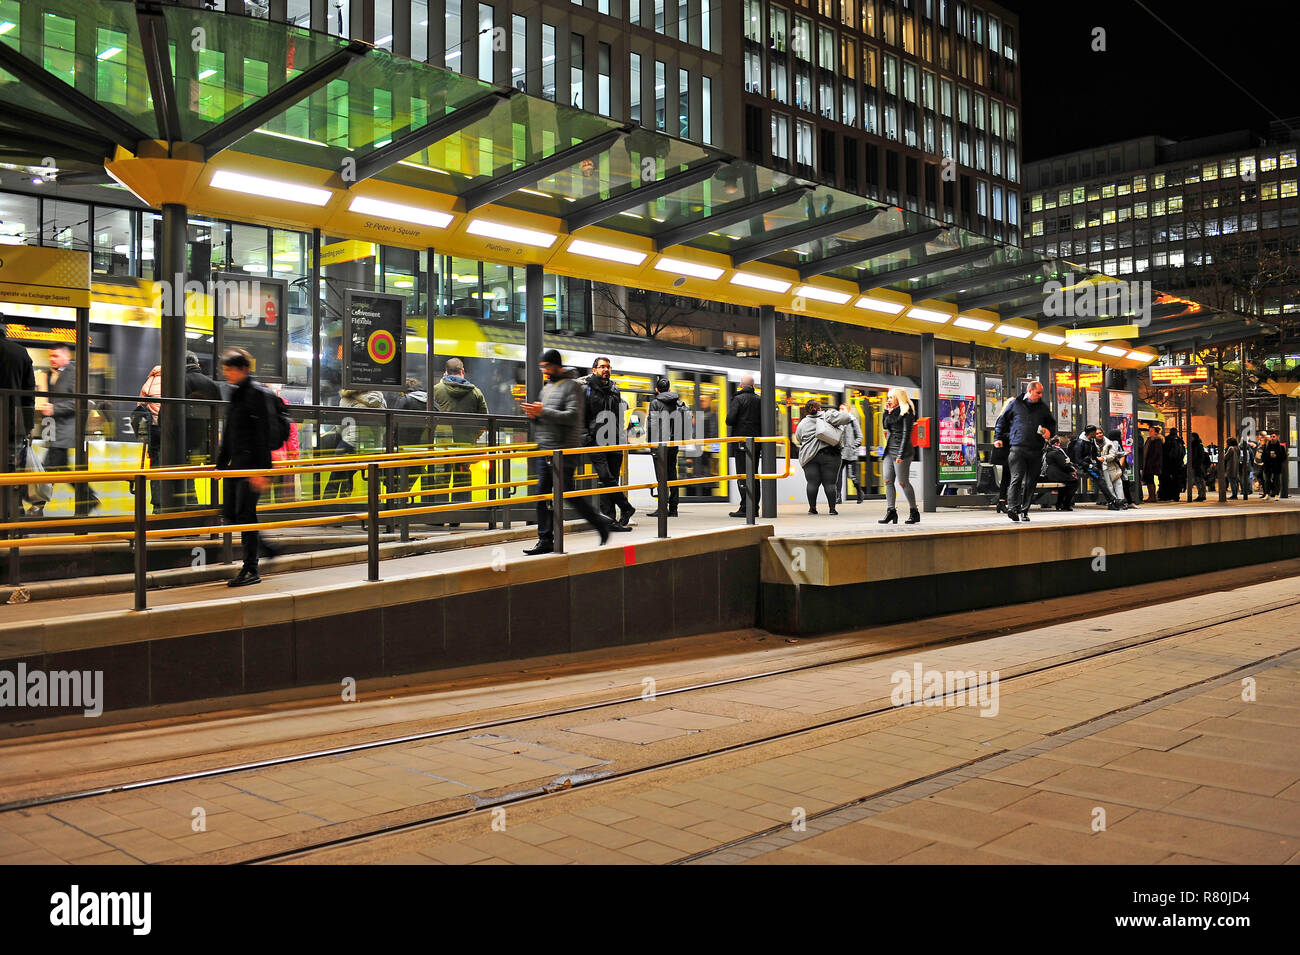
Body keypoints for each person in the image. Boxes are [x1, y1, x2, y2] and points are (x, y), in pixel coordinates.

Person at [521, 349, 612, 554]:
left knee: (566, 494)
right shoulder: (548, 388)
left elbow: (571, 416)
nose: (544, 370)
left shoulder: (572, 387)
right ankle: (546, 539)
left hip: (563, 452)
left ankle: (598, 522)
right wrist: (534, 415)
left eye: (546, 367)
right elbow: (547, 417)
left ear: (556, 366)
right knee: (544, 496)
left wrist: (541, 411)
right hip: (546, 450)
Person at [216, 348, 276, 587]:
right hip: (235, 466)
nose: (227, 374)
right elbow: (230, 431)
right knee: (230, 513)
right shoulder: (236, 394)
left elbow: (265, 433)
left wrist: (262, 471)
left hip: (252, 466)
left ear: (243, 369)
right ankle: (267, 548)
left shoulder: (257, 394)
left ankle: (251, 568)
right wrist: (221, 465)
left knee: (245, 515)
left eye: (230, 370)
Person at [39, 344, 100, 516]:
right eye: (50, 356)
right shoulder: (51, 374)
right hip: (53, 429)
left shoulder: (74, 372)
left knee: (49, 467)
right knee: (58, 467)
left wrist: (54, 408)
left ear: (66, 356)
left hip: (66, 429)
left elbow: (79, 401)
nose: (52, 359)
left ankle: (36, 507)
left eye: (56, 356)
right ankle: (90, 497)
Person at [580, 357, 634, 529]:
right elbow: (580, 416)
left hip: (614, 441)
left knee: (610, 480)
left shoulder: (614, 389)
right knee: (605, 476)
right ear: (594, 369)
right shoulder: (585, 389)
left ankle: (610, 520)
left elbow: (621, 414)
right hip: (595, 440)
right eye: (602, 367)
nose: (606, 369)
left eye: (608, 367)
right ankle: (626, 507)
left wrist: (623, 435)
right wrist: (586, 438)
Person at [995, 380, 1056, 523]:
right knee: (1016, 478)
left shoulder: (1043, 408)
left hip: (1035, 448)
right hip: (1017, 447)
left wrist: (1049, 432)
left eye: (1041, 393)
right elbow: (1002, 421)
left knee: (1030, 481)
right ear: (1030, 391)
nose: (1040, 395)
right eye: (1038, 393)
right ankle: (1013, 508)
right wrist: (997, 437)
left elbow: (1052, 424)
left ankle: (1024, 511)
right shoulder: (1015, 404)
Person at [431, 360, 486, 517]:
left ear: (446, 372)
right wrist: (472, 438)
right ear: (463, 372)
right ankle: (460, 515)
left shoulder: (436, 389)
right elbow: (485, 421)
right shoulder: (475, 392)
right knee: (462, 478)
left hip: (441, 444)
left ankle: (437, 517)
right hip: (464, 446)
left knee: (440, 478)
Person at [0, 321, 37, 514]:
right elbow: (28, 395)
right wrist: (29, 426)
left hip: (12, 426)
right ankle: (13, 517)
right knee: (10, 472)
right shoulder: (19, 353)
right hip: (12, 426)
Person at [324, 387, 387, 499]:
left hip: (351, 443)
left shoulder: (346, 399)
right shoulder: (379, 398)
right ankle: (376, 504)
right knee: (374, 477)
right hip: (373, 447)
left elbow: (340, 426)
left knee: (336, 476)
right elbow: (384, 424)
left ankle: (327, 505)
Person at [793, 399, 851, 515]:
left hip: (810, 457)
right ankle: (832, 509)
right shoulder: (827, 416)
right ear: (819, 408)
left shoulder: (803, 423)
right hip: (830, 455)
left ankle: (812, 508)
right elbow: (847, 418)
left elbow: (798, 439)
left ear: (806, 411)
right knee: (830, 483)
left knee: (812, 483)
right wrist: (833, 412)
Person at [879, 387, 919, 524]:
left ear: (897, 398)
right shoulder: (890, 412)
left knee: (903, 482)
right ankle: (891, 511)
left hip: (902, 451)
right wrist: (885, 411)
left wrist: (900, 454)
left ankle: (914, 511)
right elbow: (885, 426)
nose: (888, 400)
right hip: (889, 450)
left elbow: (906, 435)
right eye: (888, 398)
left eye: (891, 397)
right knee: (887, 481)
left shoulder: (906, 412)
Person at [647, 377, 686, 517]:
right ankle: (674, 508)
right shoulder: (678, 402)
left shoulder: (655, 403)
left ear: (657, 390)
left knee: (661, 477)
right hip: (673, 445)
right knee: (672, 475)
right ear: (669, 389)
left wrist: (651, 445)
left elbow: (652, 425)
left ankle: (662, 508)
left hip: (660, 445)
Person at [725, 374, 762, 517]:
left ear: (741, 385)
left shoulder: (738, 399)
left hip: (741, 443)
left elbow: (730, 420)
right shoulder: (760, 400)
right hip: (756, 443)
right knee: (754, 474)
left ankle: (745, 508)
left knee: (742, 474)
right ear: (753, 386)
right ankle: (754, 507)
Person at [991, 396, 1016, 513]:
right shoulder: (1003, 418)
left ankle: (1002, 502)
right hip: (1004, 452)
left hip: (1008, 452)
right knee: (1008, 477)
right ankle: (1003, 502)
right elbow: (999, 434)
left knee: (1008, 477)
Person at [1041, 436, 1080, 510]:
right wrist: (1072, 470)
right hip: (1056, 475)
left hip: (1051, 475)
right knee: (1074, 482)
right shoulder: (1056, 452)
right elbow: (1064, 465)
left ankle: (1060, 503)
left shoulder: (1048, 451)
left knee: (1065, 485)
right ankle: (1066, 504)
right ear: (1056, 444)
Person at [837, 403, 865, 505]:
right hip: (840, 453)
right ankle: (838, 497)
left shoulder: (853, 421)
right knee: (838, 475)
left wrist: (853, 446)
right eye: (839, 408)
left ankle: (860, 493)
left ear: (848, 410)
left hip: (851, 454)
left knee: (851, 475)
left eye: (842, 408)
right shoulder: (837, 422)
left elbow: (860, 436)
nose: (840, 410)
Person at [1098, 429, 1129, 510]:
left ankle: (1119, 501)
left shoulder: (1109, 442)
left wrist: (1104, 458)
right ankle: (1115, 501)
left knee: (1117, 483)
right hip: (1104, 467)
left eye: (1100, 432)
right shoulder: (1093, 443)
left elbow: (1113, 454)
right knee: (1110, 485)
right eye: (1097, 433)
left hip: (1111, 465)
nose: (1099, 435)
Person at [1162, 427, 1185, 501]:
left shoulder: (1167, 439)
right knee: (1177, 480)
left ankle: (1167, 495)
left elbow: (1165, 452)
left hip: (1168, 463)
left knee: (1167, 480)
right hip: (1178, 463)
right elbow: (1183, 453)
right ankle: (1176, 496)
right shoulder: (1180, 440)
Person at [1142, 424, 1163, 503]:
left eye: (1151, 431)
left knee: (1149, 479)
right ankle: (1151, 496)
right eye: (1149, 431)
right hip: (1148, 462)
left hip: (1151, 463)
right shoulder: (1150, 440)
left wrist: (1152, 463)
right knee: (1148, 479)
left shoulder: (1156, 441)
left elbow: (1157, 453)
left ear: (1156, 432)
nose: (1149, 432)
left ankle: (1152, 497)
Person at [1262, 430, 1285, 499]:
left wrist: (1276, 456)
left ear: (1277, 437)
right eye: (1271, 437)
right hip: (1268, 465)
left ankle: (1276, 494)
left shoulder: (1281, 447)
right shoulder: (1266, 447)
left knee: (1276, 480)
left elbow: (1284, 457)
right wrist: (1269, 457)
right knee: (1267, 480)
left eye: (1274, 436)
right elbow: (1263, 456)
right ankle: (1267, 494)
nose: (1272, 438)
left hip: (1276, 465)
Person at [1189, 432, 1209, 502]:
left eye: (1191, 437)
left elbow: (1199, 456)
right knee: (1198, 480)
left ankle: (1201, 495)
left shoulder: (1196, 445)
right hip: (1197, 465)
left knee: (1199, 480)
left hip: (1197, 465)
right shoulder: (1196, 445)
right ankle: (1201, 494)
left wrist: (1195, 464)